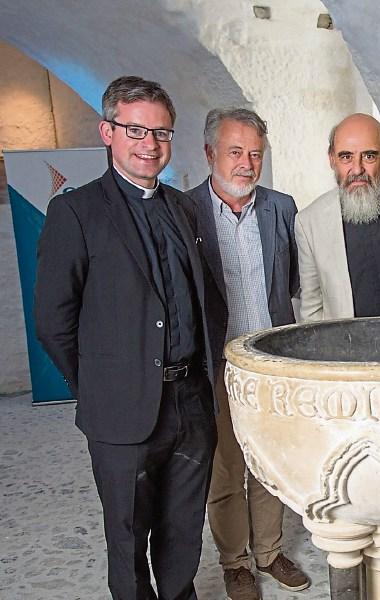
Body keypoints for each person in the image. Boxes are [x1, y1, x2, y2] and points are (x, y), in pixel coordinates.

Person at [34, 76, 216, 600]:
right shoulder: (76, 211)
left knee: (183, 533)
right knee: (129, 536)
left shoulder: (183, 207)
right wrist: (98, 382)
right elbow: (53, 319)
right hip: (120, 410)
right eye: (136, 130)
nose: (149, 144)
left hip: (190, 404)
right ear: (107, 132)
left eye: (161, 133)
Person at [186, 108, 308, 600]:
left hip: (270, 360)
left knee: (269, 462)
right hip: (216, 362)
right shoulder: (185, 210)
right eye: (235, 152)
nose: (247, 163)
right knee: (226, 466)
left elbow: (295, 281)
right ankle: (235, 562)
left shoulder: (281, 208)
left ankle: (270, 551)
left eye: (256, 153)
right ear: (210, 153)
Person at [295, 113, 380, 321]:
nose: (357, 169)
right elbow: (312, 309)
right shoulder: (309, 222)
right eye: (346, 156)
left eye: (369, 156)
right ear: (332, 159)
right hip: (344, 349)